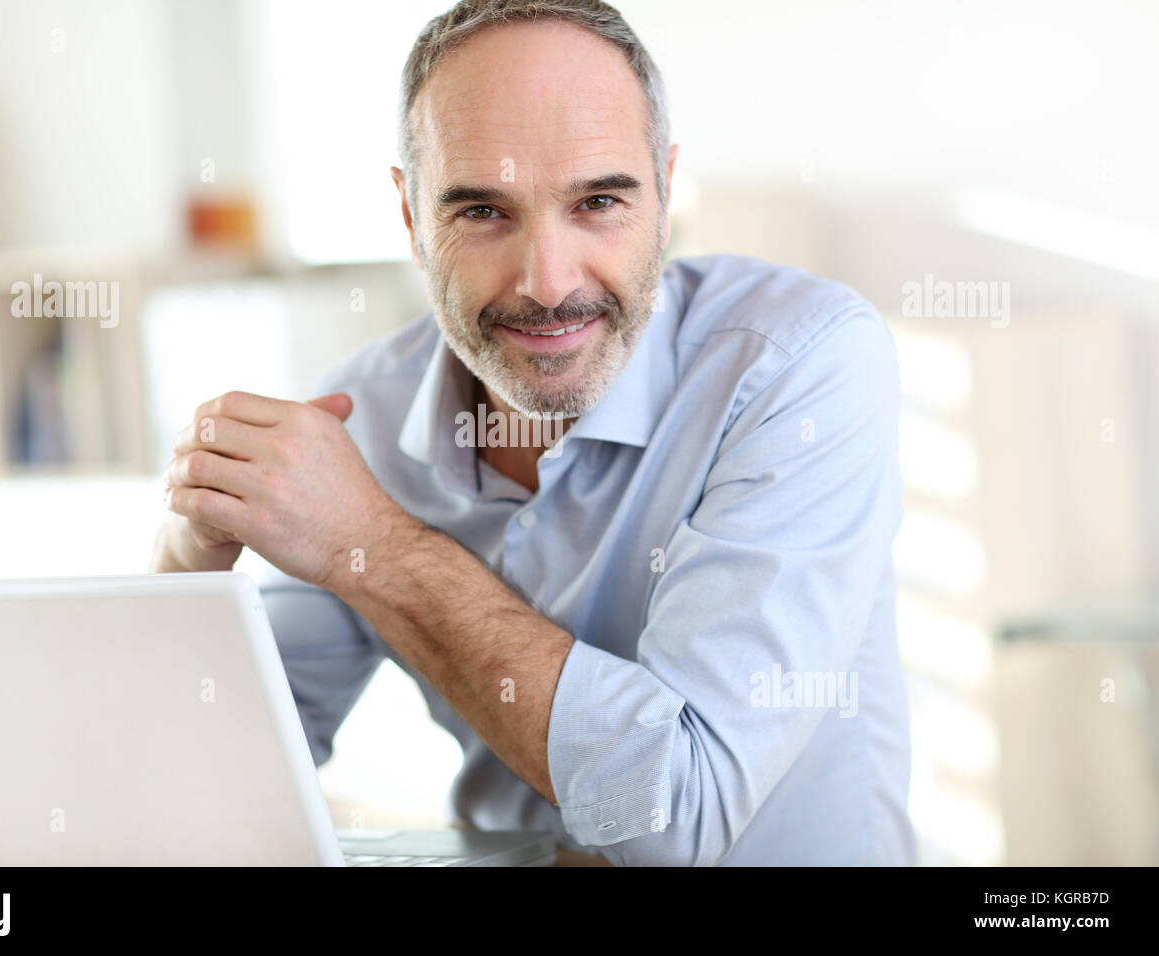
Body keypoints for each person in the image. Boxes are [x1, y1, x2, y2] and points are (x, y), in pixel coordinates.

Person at [152, 0, 914, 866]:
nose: (548, 285)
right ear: (411, 218)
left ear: (664, 197)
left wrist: (375, 544)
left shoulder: (798, 366)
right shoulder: (361, 411)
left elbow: (677, 819)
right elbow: (204, 792)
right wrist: (183, 565)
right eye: (482, 213)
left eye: (597, 202)